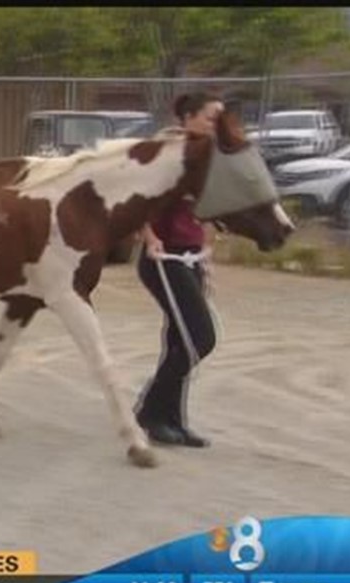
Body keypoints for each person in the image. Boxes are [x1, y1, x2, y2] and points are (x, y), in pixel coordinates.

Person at [133, 92, 225, 448]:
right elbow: (140, 200)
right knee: (199, 338)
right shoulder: (168, 154)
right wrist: (149, 236)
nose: (215, 125)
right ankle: (149, 409)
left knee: (178, 340)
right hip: (162, 259)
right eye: (209, 118)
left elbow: (210, 207)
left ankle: (171, 421)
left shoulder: (209, 159)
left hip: (190, 256)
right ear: (188, 118)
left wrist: (207, 247)